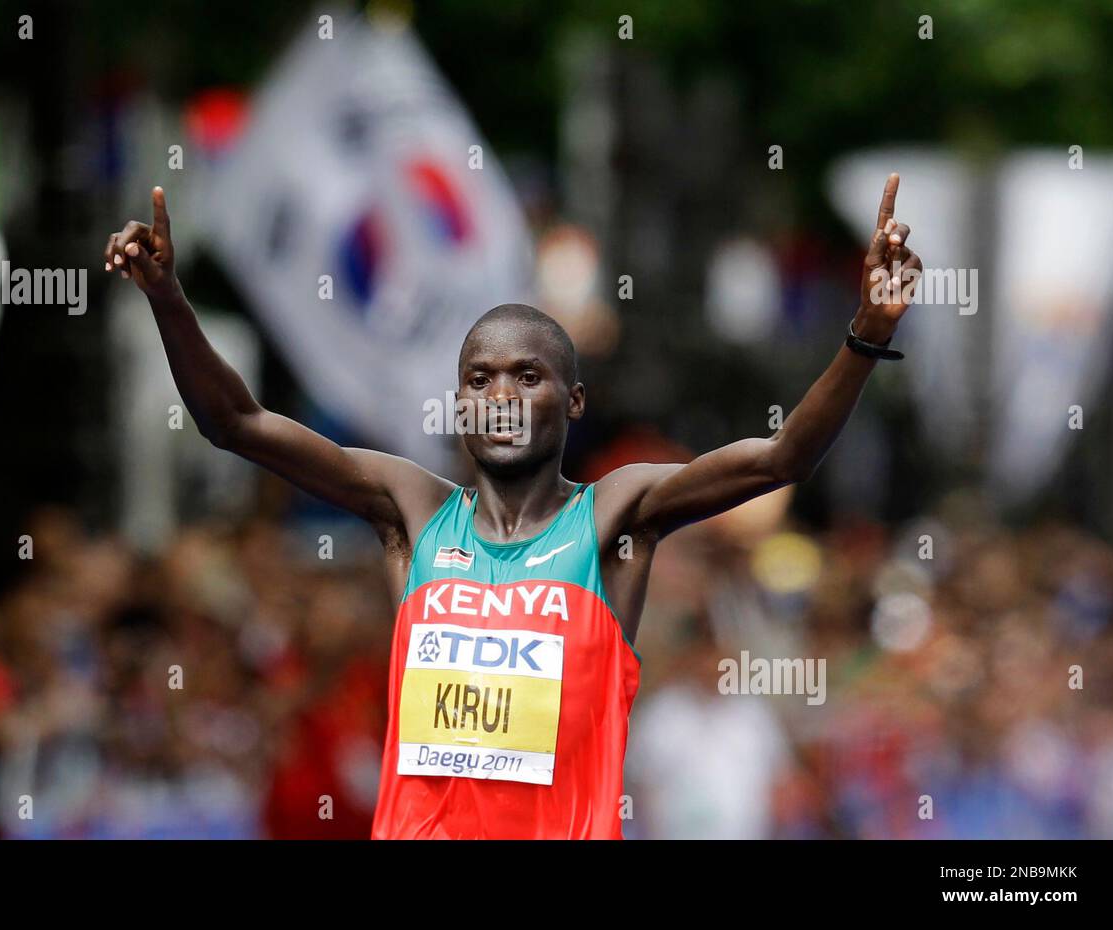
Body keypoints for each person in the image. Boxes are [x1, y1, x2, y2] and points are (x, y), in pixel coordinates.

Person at [102, 174, 921, 839]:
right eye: (480, 378)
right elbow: (235, 422)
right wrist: (168, 297)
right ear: (458, 403)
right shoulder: (411, 510)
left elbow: (784, 457)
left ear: (571, 401)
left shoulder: (614, 516)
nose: (500, 394)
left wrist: (864, 334)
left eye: (526, 377)